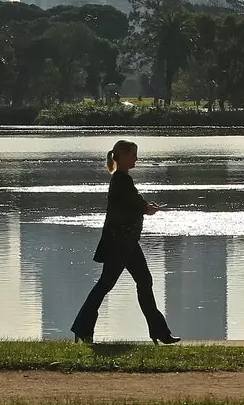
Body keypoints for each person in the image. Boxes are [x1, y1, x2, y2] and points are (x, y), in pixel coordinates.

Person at [70, 140, 180, 345]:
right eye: (133, 155)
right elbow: (134, 204)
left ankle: (159, 332)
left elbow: (132, 204)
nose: (136, 159)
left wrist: (145, 207)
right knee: (107, 284)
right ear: (123, 156)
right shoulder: (121, 180)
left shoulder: (121, 180)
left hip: (127, 242)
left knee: (142, 282)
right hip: (120, 244)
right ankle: (83, 328)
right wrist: (147, 208)